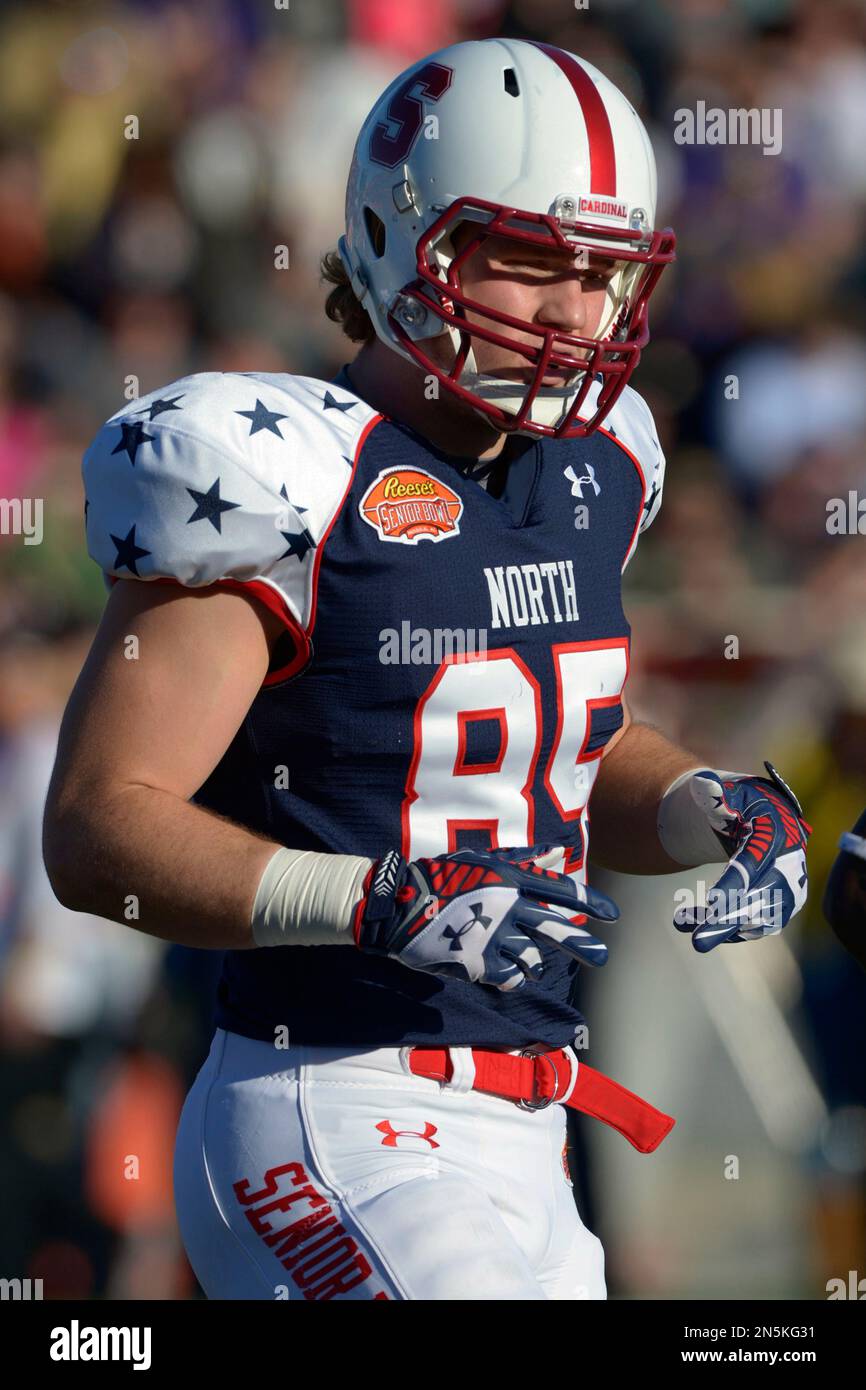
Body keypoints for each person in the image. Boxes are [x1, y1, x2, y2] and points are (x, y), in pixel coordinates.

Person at [43, 38, 810, 1301]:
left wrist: (704, 808)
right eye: (530, 260)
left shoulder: (597, 465)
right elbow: (96, 833)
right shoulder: (284, 473)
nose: (574, 313)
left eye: (601, 274)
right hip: (332, 1101)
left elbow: (556, 739)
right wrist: (378, 899)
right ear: (407, 240)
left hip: (533, 1135)